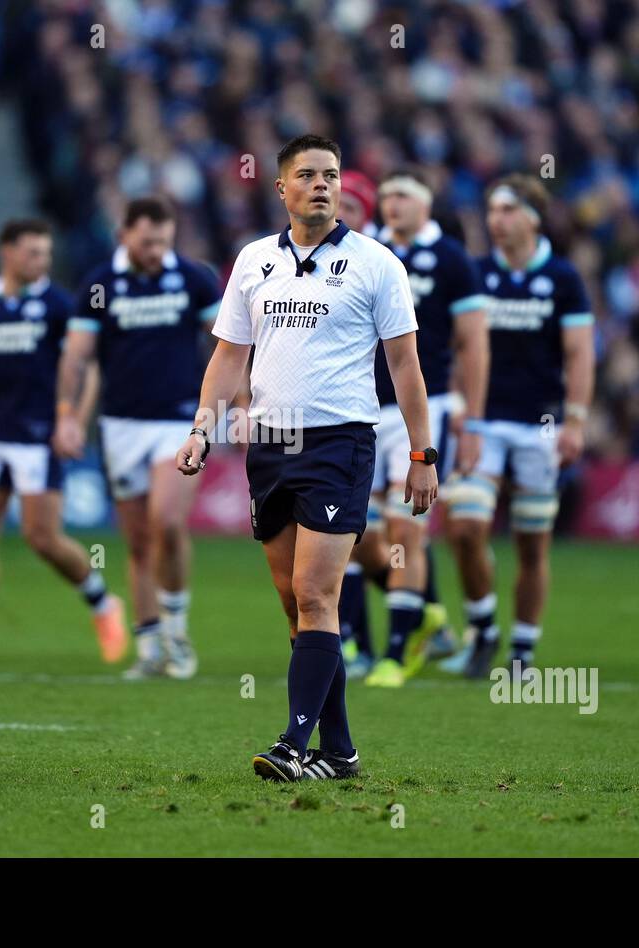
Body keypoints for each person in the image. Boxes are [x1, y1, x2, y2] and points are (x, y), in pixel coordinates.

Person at [177, 134, 436, 781]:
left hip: (338, 441)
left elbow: (404, 365)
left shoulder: (378, 265)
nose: (323, 184)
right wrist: (201, 428)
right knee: (296, 607)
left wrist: (421, 452)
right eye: (308, 175)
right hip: (270, 445)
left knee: (317, 593)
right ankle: (341, 752)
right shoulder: (253, 261)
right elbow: (229, 356)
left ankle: (293, 743)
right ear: (282, 189)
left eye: (331, 175)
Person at [0, 219, 126, 663]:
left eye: (46, 254)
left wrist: (72, 421)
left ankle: (103, 603)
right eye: (33, 253)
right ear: (7, 253)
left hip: (39, 437)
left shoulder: (57, 305)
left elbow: (86, 368)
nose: (42, 262)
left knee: (42, 538)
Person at [54, 198, 222, 679]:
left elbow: (225, 343)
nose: (155, 251)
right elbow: (77, 356)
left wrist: (244, 398)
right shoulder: (101, 285)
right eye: (147, 242)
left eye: (163, 242)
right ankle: (149, 644)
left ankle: (177, 630)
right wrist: (67, 415)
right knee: (138, 540)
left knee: (167, 521)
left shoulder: (193, 278)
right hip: (120, 424)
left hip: (178, 421)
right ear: (124, 235)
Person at [440, 175, 595, 678]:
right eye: (491, 210)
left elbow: (579, 353)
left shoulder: (564, 278)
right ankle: (483, 628)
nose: (495, 220)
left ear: (533, 215)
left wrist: (575, 420)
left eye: (506, 209)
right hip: (483, 422)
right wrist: (463, 408)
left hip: (539, 426)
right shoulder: (475, 273)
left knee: (532, 542)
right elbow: (459, 348)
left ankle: (522, 652)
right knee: (465, 528)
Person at [359, 170, 490, 688]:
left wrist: (471, 418)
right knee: (357, 537)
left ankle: (396, 651)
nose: (392, 204)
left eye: (403, 196)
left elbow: (474, 344)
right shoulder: (367, 253)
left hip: (424, 407)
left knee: (405, 530)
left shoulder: (453, 260)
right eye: (386, 196)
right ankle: (429, 612)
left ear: (426, 204)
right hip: (365, 409)